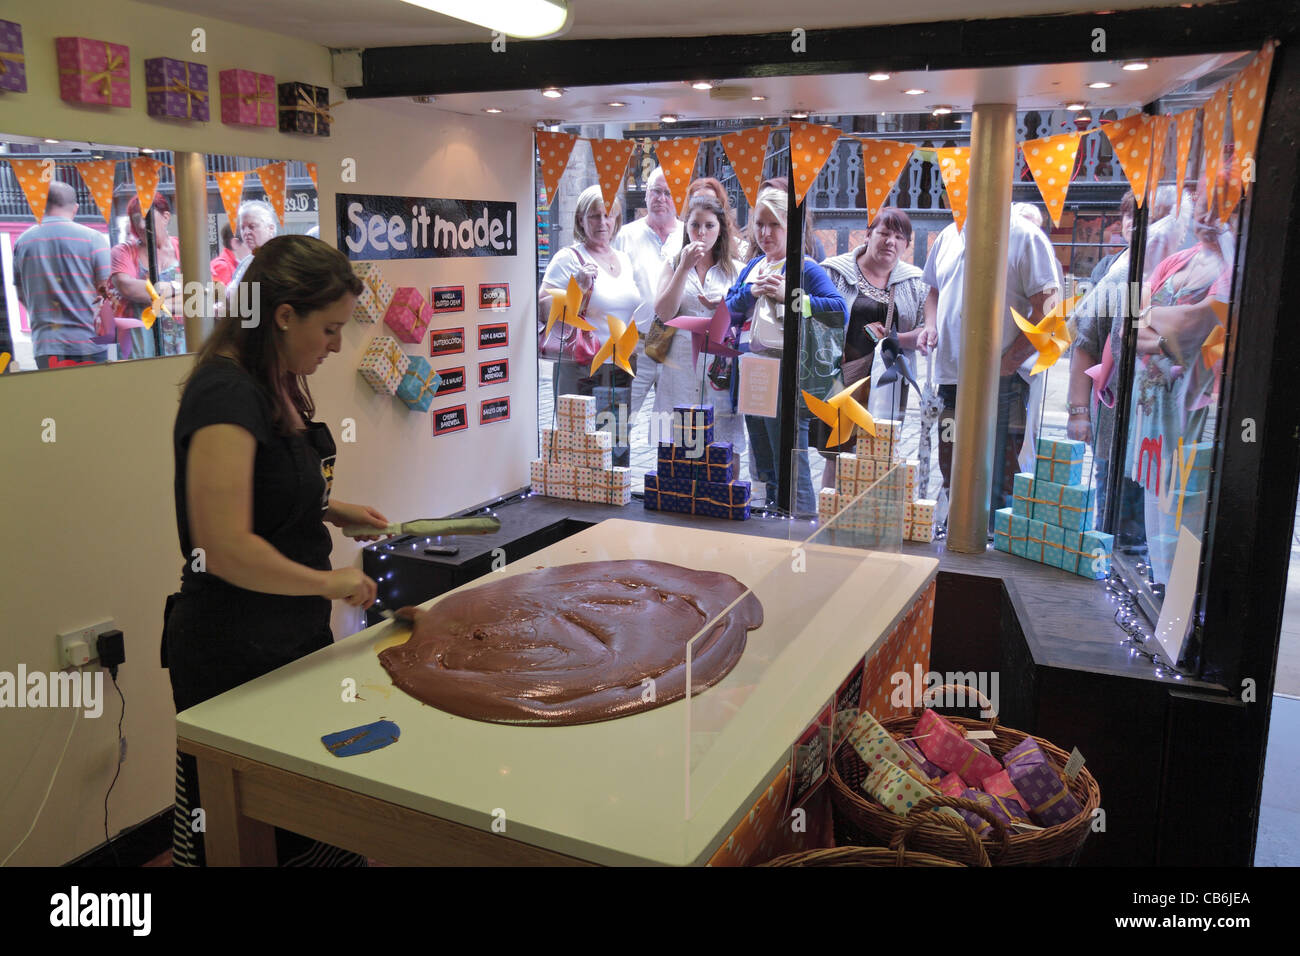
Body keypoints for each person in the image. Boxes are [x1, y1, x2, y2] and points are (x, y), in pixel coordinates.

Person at [164, 235, 390, 867]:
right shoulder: (224, 393)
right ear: (284, 314)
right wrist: (329, 583)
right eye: (330, 329)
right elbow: (225, 544)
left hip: (288, 637)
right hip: (232, 646)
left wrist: (334, 510)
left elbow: (263, 494)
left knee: (315, 816)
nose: (338, 345)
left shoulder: (276, 381)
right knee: (252, 831)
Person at [1120, 189, 1233, 588]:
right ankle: (1163, 586)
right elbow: (1128, 324)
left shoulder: (1233, 273)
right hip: (1151, 411)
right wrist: (1166, 337)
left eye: (1220, 205)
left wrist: (1156, 326)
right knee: (1156, 501)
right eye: (1202, 203)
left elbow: (1199, 328)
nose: (1207, 215)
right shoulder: (1175, 261)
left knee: (1185, 510)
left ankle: (1179, 598)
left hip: (1192, 413)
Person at [924, 208, 1060, 526]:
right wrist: (930, 325)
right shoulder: (947, 235)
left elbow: (1050, 311)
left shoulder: (1025, 236)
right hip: (951, 377)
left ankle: (992, 552)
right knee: (951, 466)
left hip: (1002, 384)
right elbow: (932, 290)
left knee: (997, 478)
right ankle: (954, 539)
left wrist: (1010, 361)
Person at [726, 186, 846, 515]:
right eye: (759, 224)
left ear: (789, 227)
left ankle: (799, 525)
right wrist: (751, 292)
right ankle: (771, 521)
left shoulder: (805, 268)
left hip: (787, 375)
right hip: (752, 371)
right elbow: (729, 309)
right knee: (764, 456)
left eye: (774, 224)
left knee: (790, 460)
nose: (765, 233)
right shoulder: (752, 266)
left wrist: (790, 297)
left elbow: (838, 310)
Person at [819, 207, 933, 488]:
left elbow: (926, 328)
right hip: (843, 380)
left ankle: (864, 519)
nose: (890, 241)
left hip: (889, 383)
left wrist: (892, 339)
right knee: (838, 455)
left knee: (878, 453)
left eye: (899, 236)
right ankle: (830, 516)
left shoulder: (915, 281)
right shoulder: (835, 272)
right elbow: (815, 320)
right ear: (868, 235)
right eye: (883, 233)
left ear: (907, 244)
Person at [539, 184, 643, 463]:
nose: (603, 222)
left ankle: (614, 500)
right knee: (580, 449)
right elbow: (543, 309)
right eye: (595, 215)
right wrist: (578, 288)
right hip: (581, 366)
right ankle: (578, 506)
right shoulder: (568, 259)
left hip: (620, 365)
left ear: (617, 219)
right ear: (581, 220)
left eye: (609, 215)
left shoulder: (623, 259)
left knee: (616, 448)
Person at [652, 193, 746, 453]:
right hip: (681, 366)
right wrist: (684, 268)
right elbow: (664, 313)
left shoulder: (737, 270)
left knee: (724, 448)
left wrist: (724, 306)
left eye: (709, 226)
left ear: (720, 229)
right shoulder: (672, 264)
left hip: (720, 368)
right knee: (678, 447)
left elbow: (747, 317)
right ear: (686, 228)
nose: (701, 233)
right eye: (695, 225)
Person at [11, 180, 112, 369]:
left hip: (46, 344)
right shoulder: (93, 239)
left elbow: (21, 294)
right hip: (89, 342)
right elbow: (108, 292)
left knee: (56, 397)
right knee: (94, 396)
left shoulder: (22, 242)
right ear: (75, 208)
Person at [612, 167, 678, 437]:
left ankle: (666, 477)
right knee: (621, 418)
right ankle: (616, 472)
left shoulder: (688, 234)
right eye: (655, 191)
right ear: (646, 195)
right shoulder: (625, 235)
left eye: (668, 192)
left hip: (674, 345)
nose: (660, 198)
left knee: (670, 424)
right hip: (635, 344)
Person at [111, 194, 185, 359]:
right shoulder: (123, 252)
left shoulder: (185, 248)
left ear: (166, 217)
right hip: (139, 352)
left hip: (182, 348)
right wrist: (176, 287)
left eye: (146, 218)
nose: (141, 225)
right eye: (136, 219)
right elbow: (127, 287)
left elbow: (199, 295)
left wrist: (149, 296)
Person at [210, 222, 248, 288]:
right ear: (235, 243)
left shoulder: (233, 264)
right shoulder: (222, 266)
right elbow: (220, 297)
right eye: (249, 243)